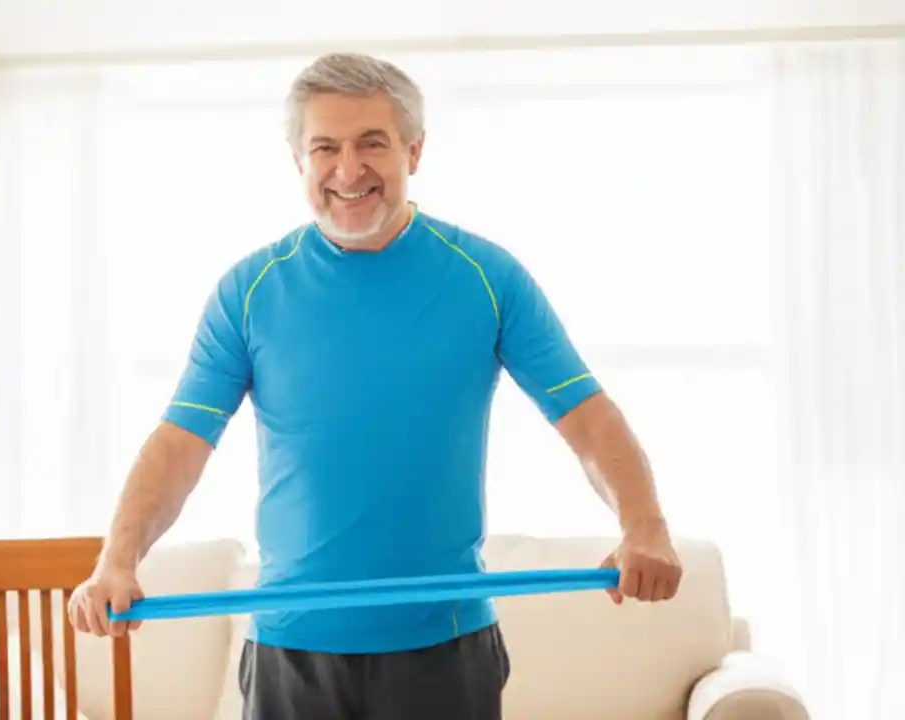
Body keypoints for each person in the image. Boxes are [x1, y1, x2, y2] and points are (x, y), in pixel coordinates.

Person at [67, 52, 683, 719]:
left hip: (445, 651)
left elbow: (587, 417)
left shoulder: (487, 277)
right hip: (292, 653)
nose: (348, 169)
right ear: (297, 161)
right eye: (324, 147)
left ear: (414, 151)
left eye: (372, 143)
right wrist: (118, 559)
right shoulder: (248, 292)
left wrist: (643, 526)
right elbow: (181, 444)